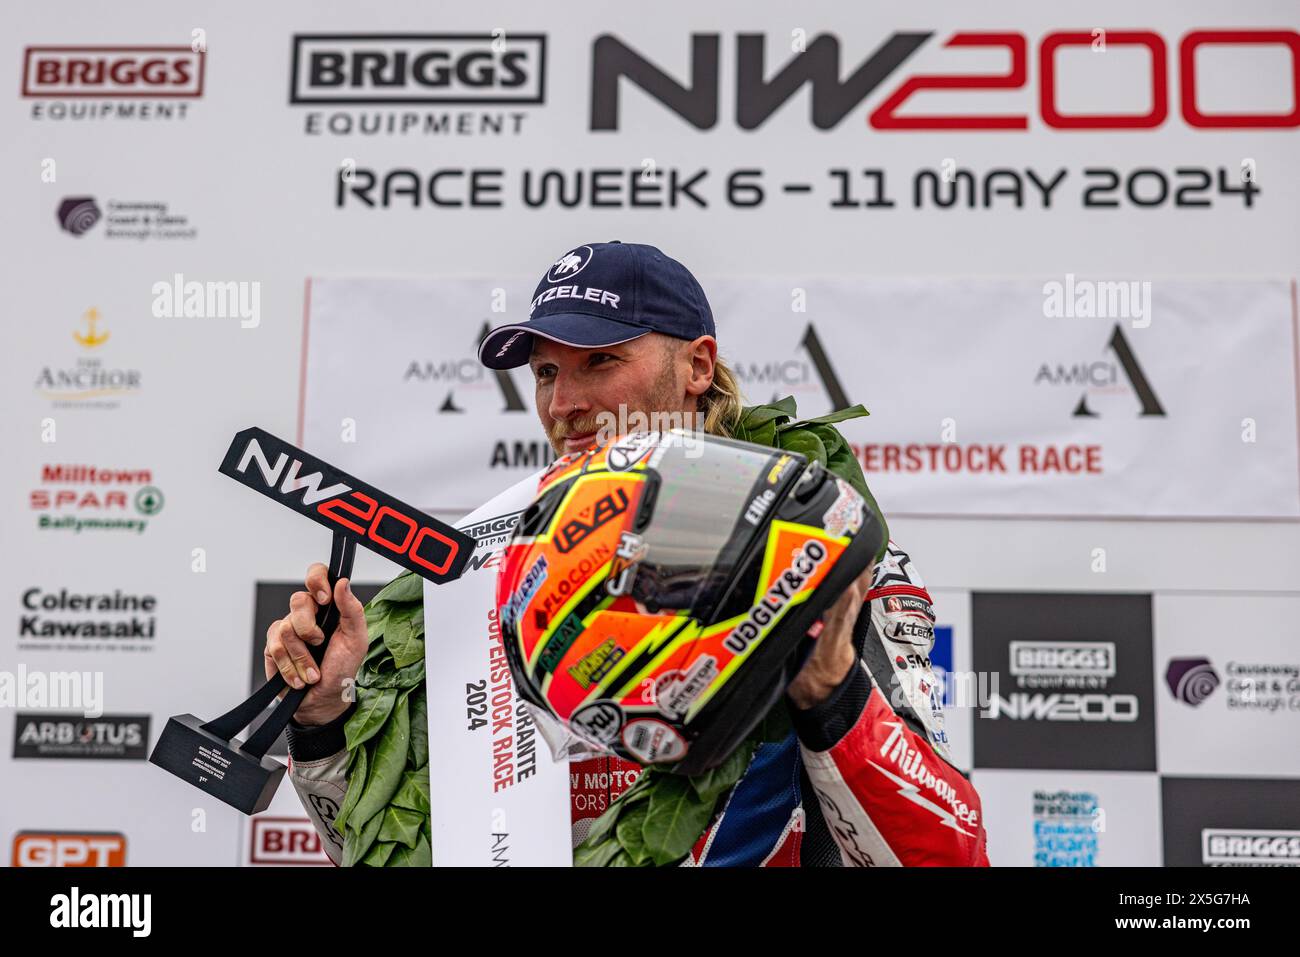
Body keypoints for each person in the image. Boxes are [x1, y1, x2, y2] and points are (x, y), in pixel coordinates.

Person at [268, 241, 989, 866]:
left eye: (600, 361)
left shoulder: (819, 555)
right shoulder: (497, 571)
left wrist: (828, 691)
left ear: (698, 366)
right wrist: (325, 715)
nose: (564, 404)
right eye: (548, 373)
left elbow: (947, 853)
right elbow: (393, 848)